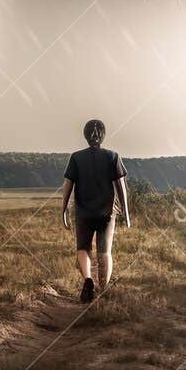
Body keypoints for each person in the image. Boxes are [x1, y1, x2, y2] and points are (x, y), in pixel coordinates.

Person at [61, 118, 130, 303]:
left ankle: (88, 280)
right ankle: (103, 290)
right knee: (104, 252)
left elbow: (68, 185)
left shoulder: (76, 157)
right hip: (107, 213)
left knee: (82, 249)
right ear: (104, 135)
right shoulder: (113, 156)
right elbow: (121, 186)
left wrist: (64, 209)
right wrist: (126, 211)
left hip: (83, 212)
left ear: (84, 135)